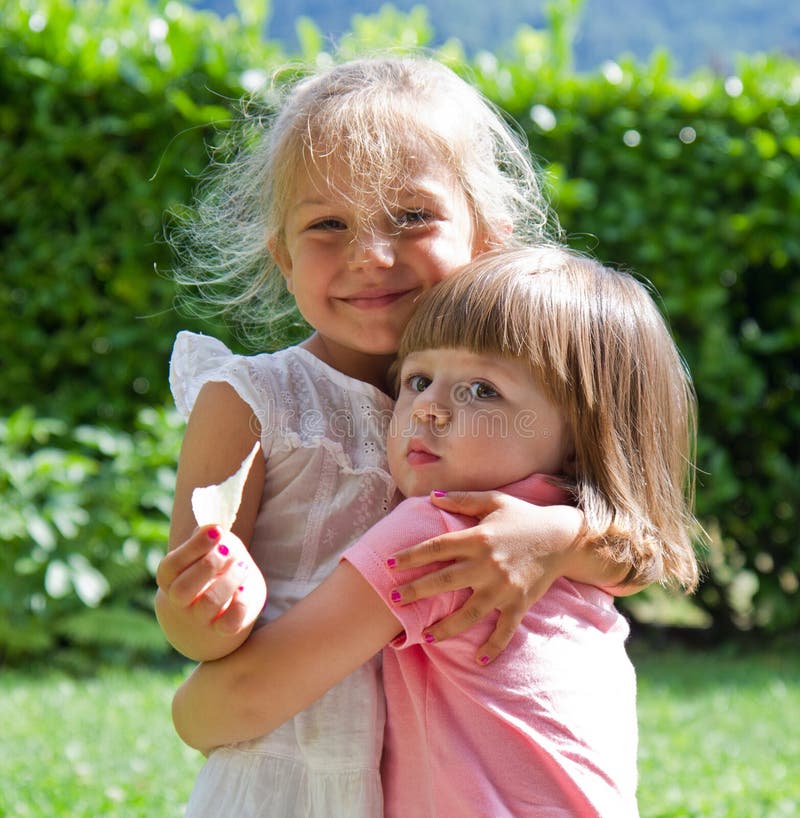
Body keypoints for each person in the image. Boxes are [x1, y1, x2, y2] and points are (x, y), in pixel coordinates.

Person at [155, 56, 648, 817]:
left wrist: (551, 537)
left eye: (411, 216)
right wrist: (209, 610)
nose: (370, 256)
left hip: (438, 771)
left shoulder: (514, 399)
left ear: (488, 236)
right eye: (328, 224)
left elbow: (640, 548)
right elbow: (191, 619)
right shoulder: (253, 401)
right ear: (282, 255)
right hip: (296, 762)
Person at [172, 245, 700, 817]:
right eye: (418, 378)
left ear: (581, 437)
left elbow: (244, 697)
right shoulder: (586, 535)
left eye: (483, 390)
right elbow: (648, 555)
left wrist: (187, 713)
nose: (428, 408)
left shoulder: (443, 531)